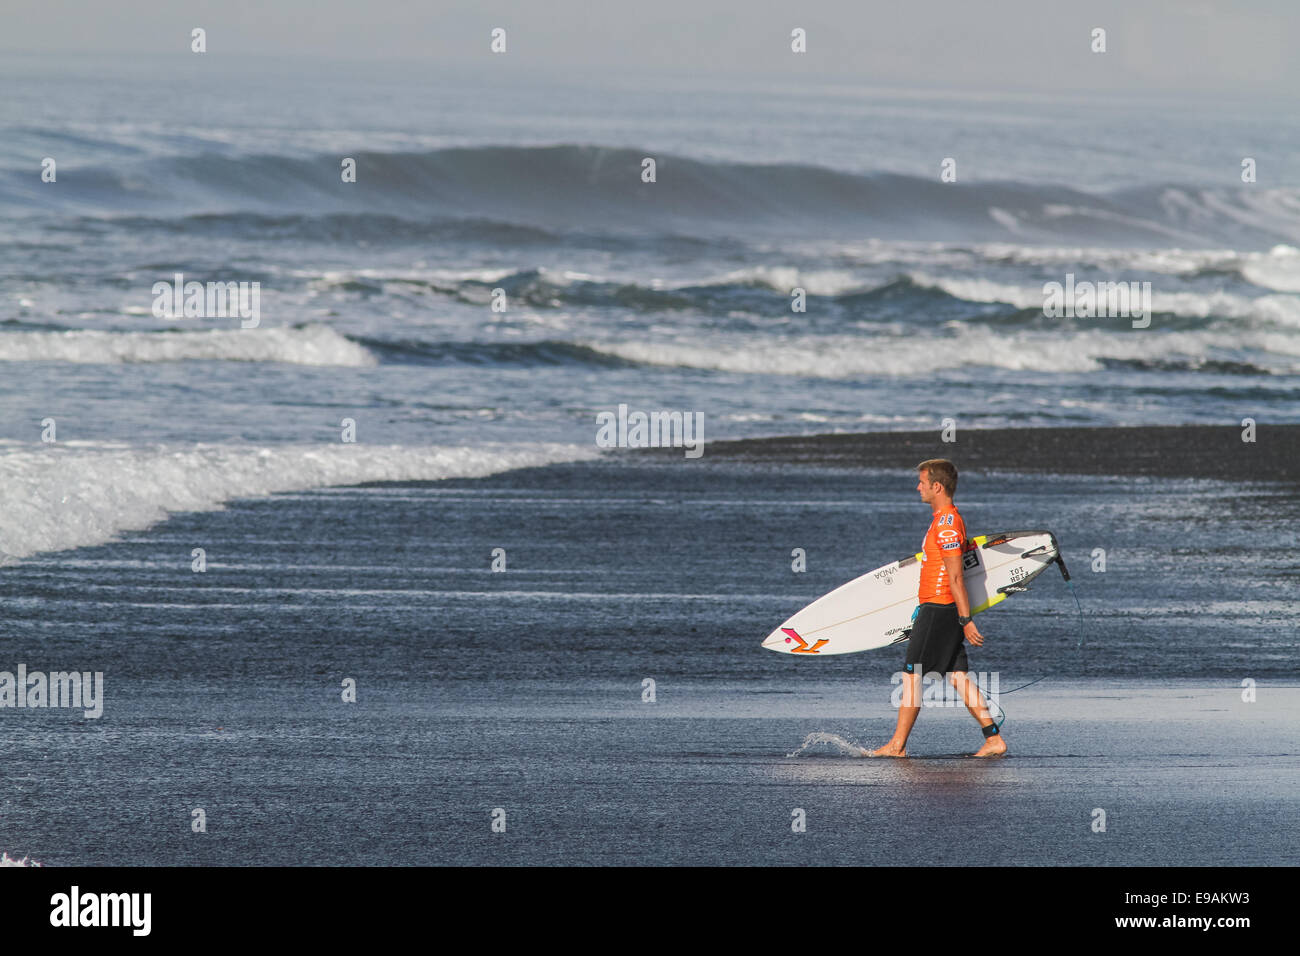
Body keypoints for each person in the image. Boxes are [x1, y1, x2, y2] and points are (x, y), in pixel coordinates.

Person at [865, 459, 1006, 758]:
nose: (918, 487)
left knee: (912, 676)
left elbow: (956, 576)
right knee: (957, 676)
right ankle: (993, 738)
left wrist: (965, 619)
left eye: (922, 482)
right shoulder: (944, 519)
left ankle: (897, 746)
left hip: (940, 607)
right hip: (938, 607)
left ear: (937, 486)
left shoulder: (946, 525)